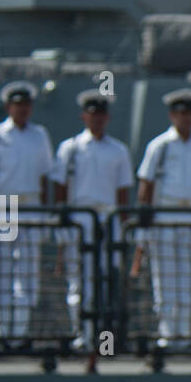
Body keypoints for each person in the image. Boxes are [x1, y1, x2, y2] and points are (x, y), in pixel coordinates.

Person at [130, 88, 191, 355]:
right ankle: (168, 334)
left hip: (190, 216)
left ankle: (185, 332)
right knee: (165, 277)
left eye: (188, 113)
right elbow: (145, 187)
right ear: (172, 115)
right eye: (180, 113)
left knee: (188, 277)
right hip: (164, 216)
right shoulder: (159, 146)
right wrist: (142, 228)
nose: (185, 118)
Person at [52, 89, 133, 353]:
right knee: (79, 280)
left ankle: (105, 337)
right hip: (80, 218)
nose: (96, 119)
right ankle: (82, 334)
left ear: (107, 118)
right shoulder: (70, 149)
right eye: (92, 114)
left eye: (101, 115)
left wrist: (122, 228)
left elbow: (123, 195)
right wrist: (63, 227)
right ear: (83, 116)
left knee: (107, 278)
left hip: (107, 220)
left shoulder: (119, 151)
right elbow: (60, 190)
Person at [0, 81, 54, 349]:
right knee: (2, 275)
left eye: (26, 105)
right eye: (17, 105)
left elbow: (45, 177)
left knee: (28, 275)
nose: (22, 110)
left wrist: (44, 213)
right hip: (3, 208)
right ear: (9, 107)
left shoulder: (40, 135)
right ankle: (0, 334)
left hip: (30, 207)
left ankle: (20, 333)